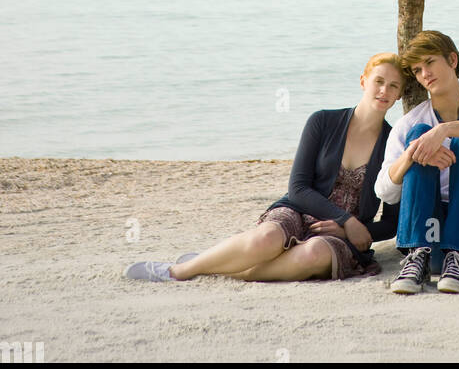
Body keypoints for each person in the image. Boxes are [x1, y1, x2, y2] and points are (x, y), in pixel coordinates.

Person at [124, 53, 407, 283]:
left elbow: (392, 221)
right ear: (363, 81)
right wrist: (346, 218)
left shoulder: (393, 143)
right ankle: (177, 271)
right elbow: (297, 188)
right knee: (268, 238)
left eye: (393, 86)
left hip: (339, 237)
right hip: (298, 210)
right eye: (378, 81)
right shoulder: (322, 122)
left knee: (312, 256)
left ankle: (227, 268)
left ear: (399, 94)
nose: (384, 90)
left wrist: (350, 230)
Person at [374, 30, 459, 295]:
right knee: (417, 138)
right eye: (417, 70)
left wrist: (444, 131)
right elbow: (384, 193)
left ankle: (458, 257)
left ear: (452, 59)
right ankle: (416, 257)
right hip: (429, 243)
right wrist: (412, 153)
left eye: (430, 62)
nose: (424, 73)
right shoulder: (410, 123)